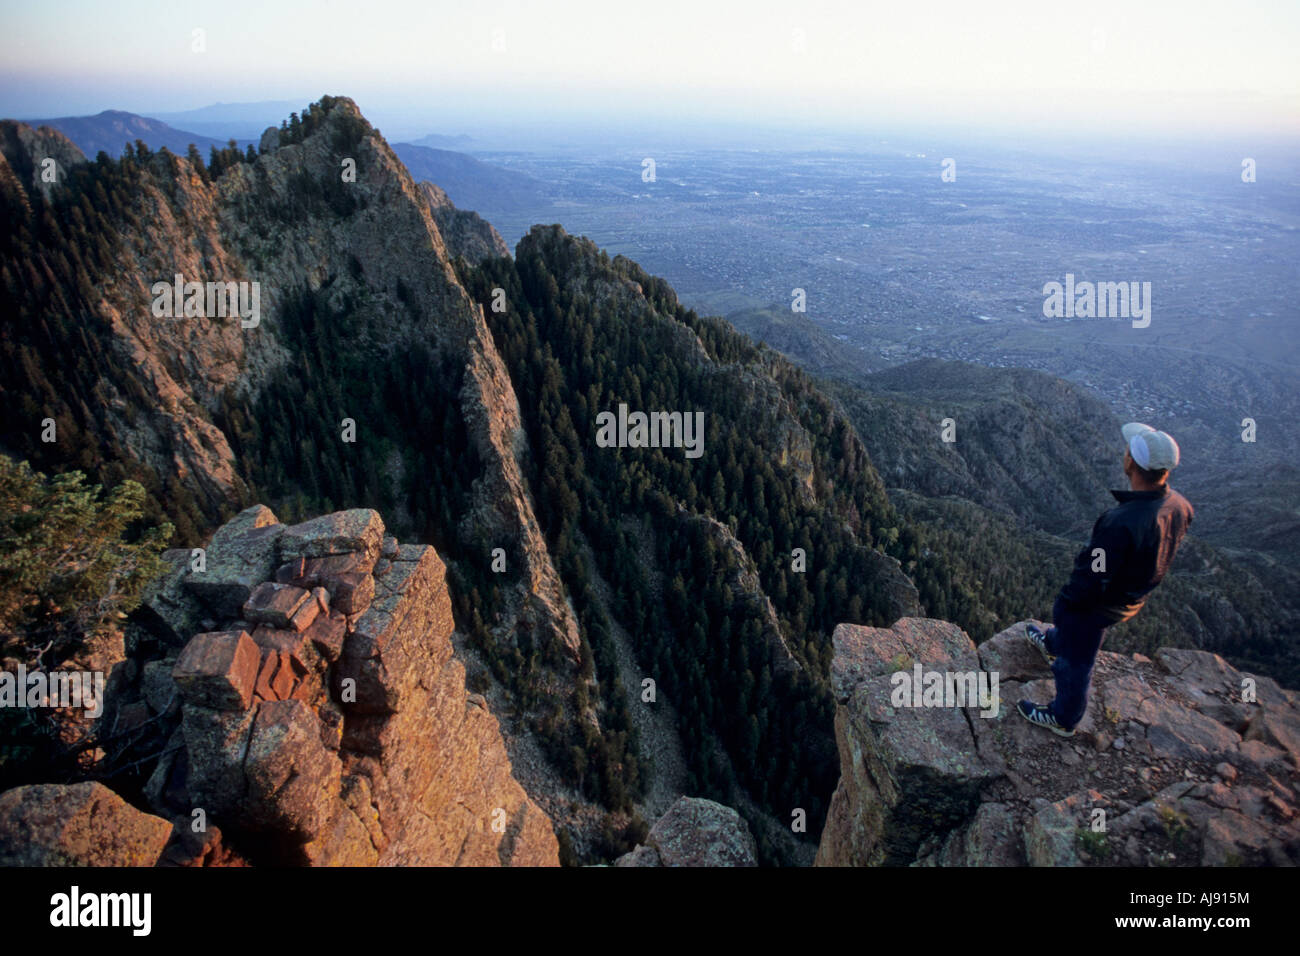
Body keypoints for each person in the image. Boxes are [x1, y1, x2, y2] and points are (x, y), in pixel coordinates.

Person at [1017, 423, 1194, 737]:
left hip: (1098, 605)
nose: (1124, 453)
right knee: (1073, 638)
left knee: (1077, 663)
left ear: (1131, 464)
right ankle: (1054, 643)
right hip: (1130, 597)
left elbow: (1095, 573)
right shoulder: (1180, 506)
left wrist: (1069, 602)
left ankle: (1064, 717)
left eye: (1128, 451)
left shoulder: (1120, 523)